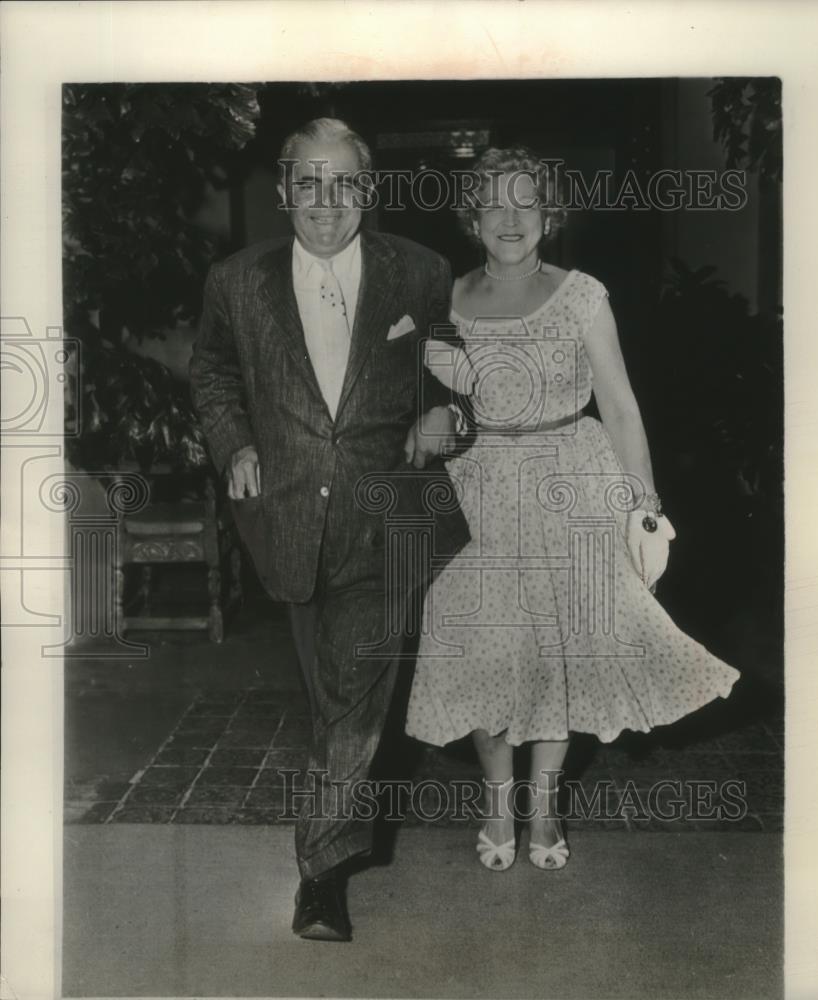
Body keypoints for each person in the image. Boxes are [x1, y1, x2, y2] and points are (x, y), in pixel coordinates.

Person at [405, 147, 740, 871]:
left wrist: (644, 508)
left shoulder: (583, 294)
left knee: (560, 647)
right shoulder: (445, 297)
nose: (511, 218)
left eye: (527, 203)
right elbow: (423, 395)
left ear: (551, 216)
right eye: (494, 203)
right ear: (472, 217)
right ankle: (499, 799)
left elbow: (620, 408)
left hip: (575, 481)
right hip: (483, 485)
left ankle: (545, 804)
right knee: (483, 640)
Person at [190, 118, 469, 940]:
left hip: (385, 519)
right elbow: (210, 372)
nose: (325, 202)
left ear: (367, 191)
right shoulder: (235, 282)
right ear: (283, 192)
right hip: (285, 520)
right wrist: (234, 443)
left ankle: (321, 875)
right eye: (307, 183)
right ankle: (341, 826)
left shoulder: (418, 273)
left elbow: (455, 377)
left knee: (353, 699)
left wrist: (445, 417)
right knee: (330, 697)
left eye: (342, 183)